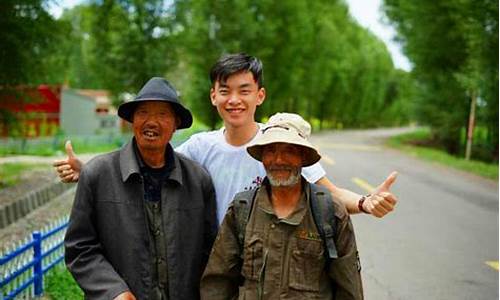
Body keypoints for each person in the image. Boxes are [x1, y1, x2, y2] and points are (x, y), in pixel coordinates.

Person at [54, 53, 398, 224]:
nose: (234, 99)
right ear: (213, 97)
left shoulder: (280, 146)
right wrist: (87, 171)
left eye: (244, 90)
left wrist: (367, 202)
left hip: (267, 265)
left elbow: (330, 193)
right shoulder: (201, 147)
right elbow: (148, 165)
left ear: (259, 96)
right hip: (213, 266)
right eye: (225, 91)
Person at [64, 77, 218, 300]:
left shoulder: (198, 180)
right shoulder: (98, 174)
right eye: (143, 112)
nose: (151, 122)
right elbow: (80, 248)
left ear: (175, 124)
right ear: (132, 120)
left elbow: (210, 252)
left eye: (162, 114)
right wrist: (114, 291)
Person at [201, 112, 363, 299]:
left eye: (289, 151)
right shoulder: (242, 209)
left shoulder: (330, 212)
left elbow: (349, 290)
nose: (278, 160)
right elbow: (217, 282)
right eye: (271, 150)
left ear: (303, 156)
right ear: (262, 156)